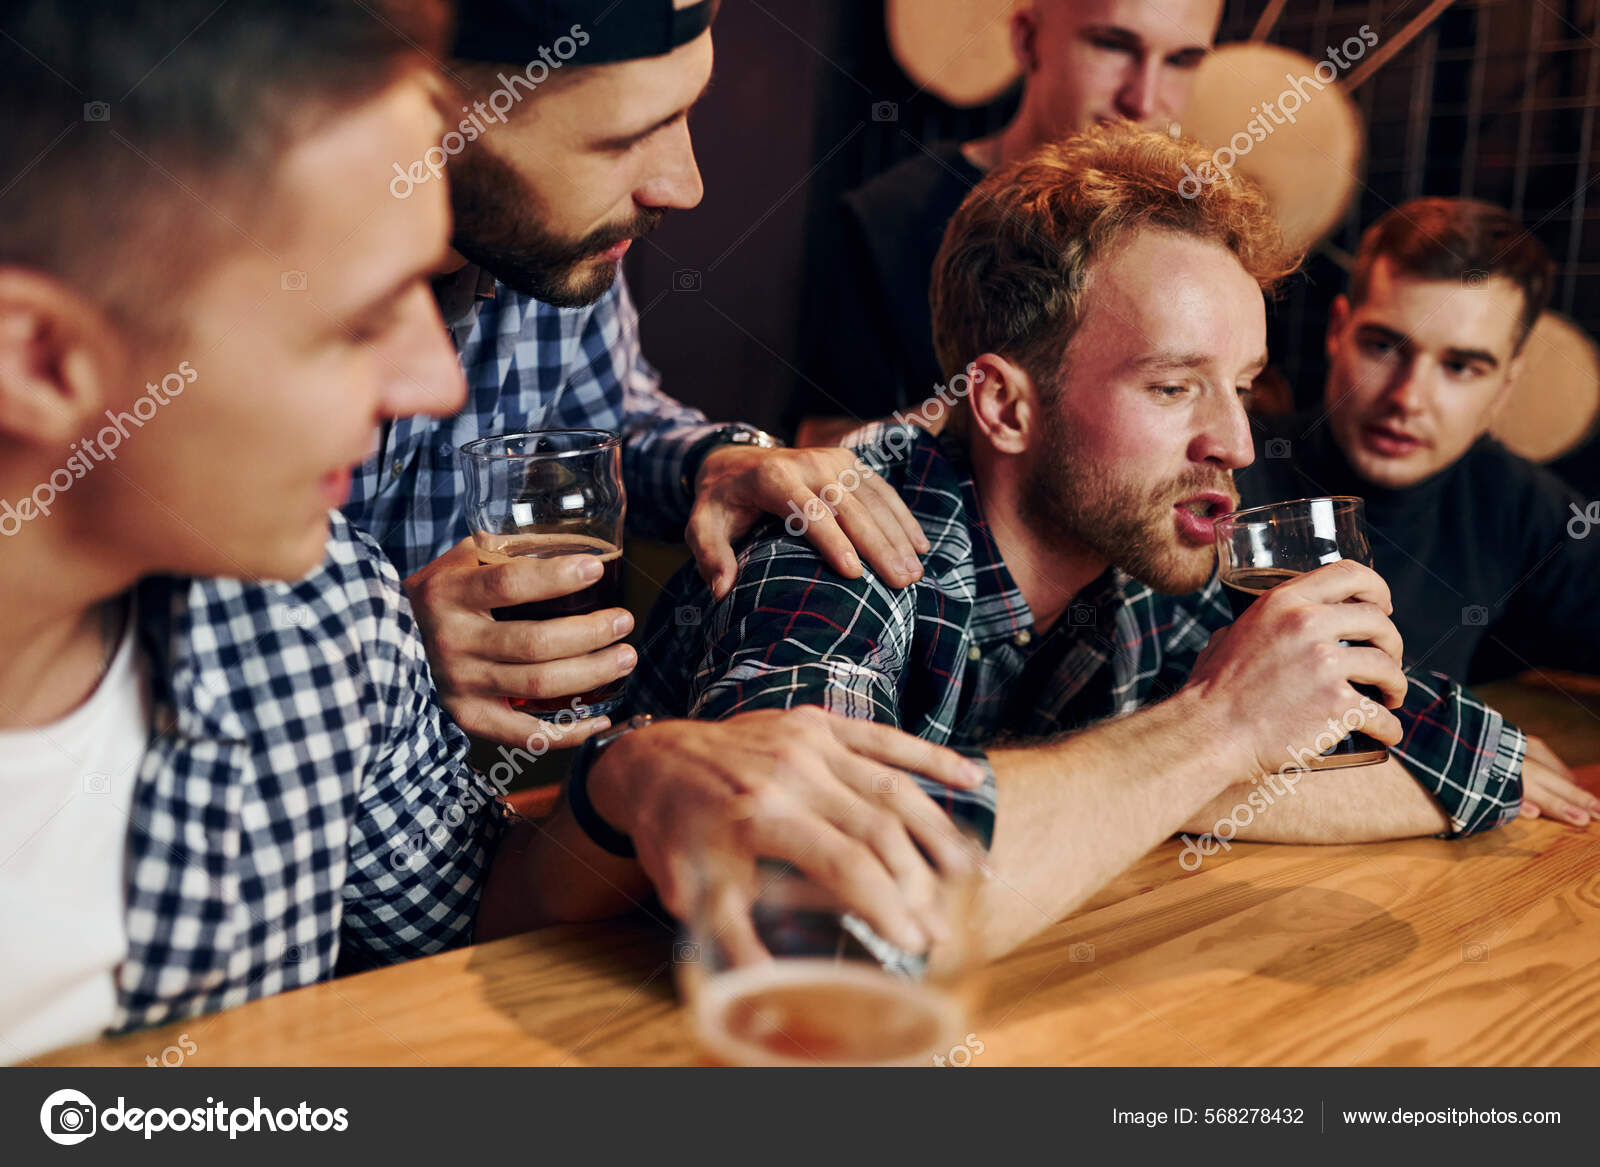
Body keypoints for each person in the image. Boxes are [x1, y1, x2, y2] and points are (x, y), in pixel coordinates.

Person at [0, 0, 980, 1059]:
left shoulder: (318, 620)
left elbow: (464, 916)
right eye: (356, 322)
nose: (436, 380)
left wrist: (622, 781)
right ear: (42, 362)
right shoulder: (339, 609)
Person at [624, 124, 1528, 960]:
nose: (1239, 445)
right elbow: (815, 920)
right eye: (1174, 387)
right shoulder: (841, 547)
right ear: (1007, 406)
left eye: (1242, 388)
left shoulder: (1136, 554)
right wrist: (1214, 730)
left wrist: (1154, 784)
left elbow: (1475, 759)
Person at [351, 0, 935, 751]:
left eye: (686, 111)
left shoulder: (561, 239)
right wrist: (388, 645)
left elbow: (606, 426)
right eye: (623, 138)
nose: (682, 186)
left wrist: (716, 463)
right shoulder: (214, 306)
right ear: (421, 115)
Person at [1236, 198, 1600, 829]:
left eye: (1461, 366)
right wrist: (1469, 760)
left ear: (1506, 385)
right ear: (1337, 331)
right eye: (1384, 346)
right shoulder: (1230, 469)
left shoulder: (1513, 500)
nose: (1408, 398)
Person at [789, 0, 1223, 445]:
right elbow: (822, 450)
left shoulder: (1201, 228)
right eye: (1112, 45)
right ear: (1027, 39)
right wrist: (1014, 399)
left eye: (1181, 60)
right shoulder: (891, 220)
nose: (1143, 99)